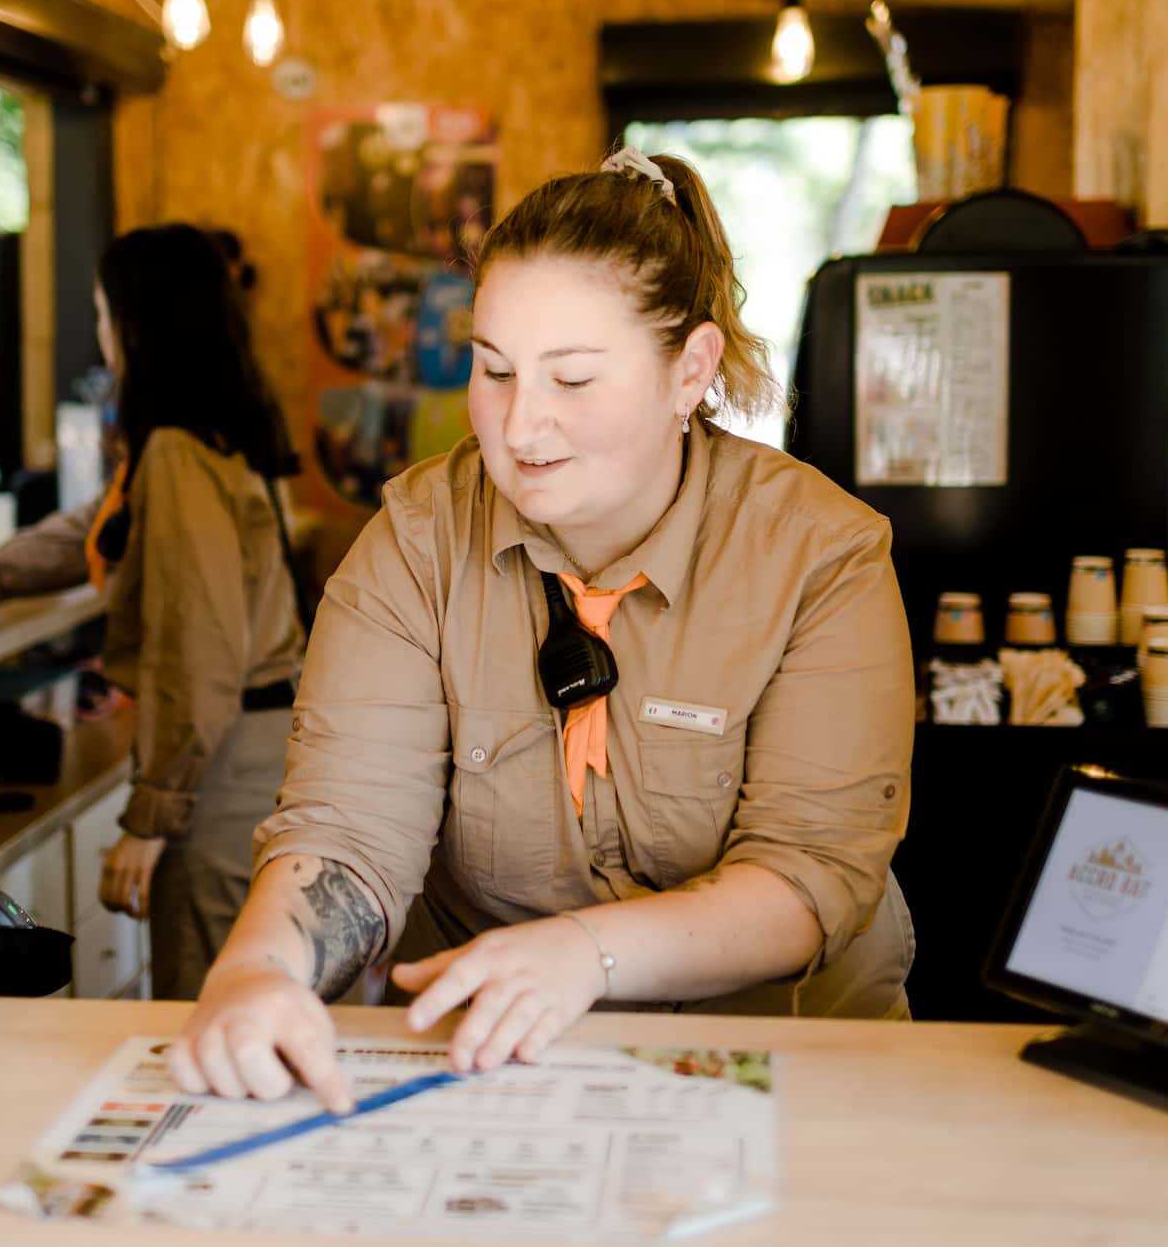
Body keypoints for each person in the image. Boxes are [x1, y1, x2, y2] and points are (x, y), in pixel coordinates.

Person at [164, 148, 916, 1111]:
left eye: (571, 380)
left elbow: (808, 875)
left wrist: (588, 953)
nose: (520, 427)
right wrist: (259, 972)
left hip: (792, 1065)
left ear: (690, 369)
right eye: (495, 370)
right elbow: (346, 830)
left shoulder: (821, 555)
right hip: (493, 1074)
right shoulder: (417, 544)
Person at [0, 225, 306, 999]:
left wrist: (149, 819)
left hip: (219, 768)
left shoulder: (179, 452)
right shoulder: (200, 439)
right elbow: (95, 527)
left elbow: (197, 649)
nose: (102, 333)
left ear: (140, 323)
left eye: (105, 314)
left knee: (213, 1008)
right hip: (248, 748)